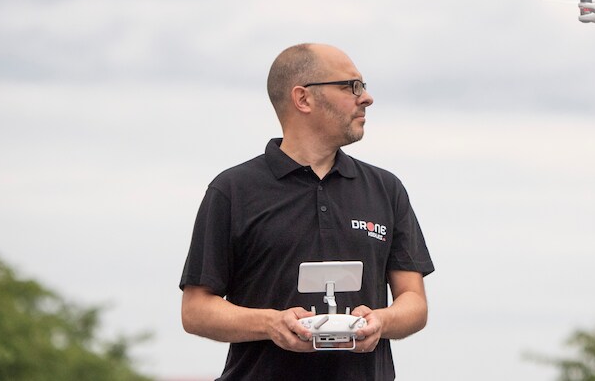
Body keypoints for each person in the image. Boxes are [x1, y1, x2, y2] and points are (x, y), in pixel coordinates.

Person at [179, 43, 434, 380]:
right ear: (303, 99)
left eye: (363, 86)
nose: (366, 98)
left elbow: (414, 301)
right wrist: (271, 324)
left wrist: (380, 321)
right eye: (350, 86)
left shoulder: (385, 189)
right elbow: (196, 311)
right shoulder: (232, 191)